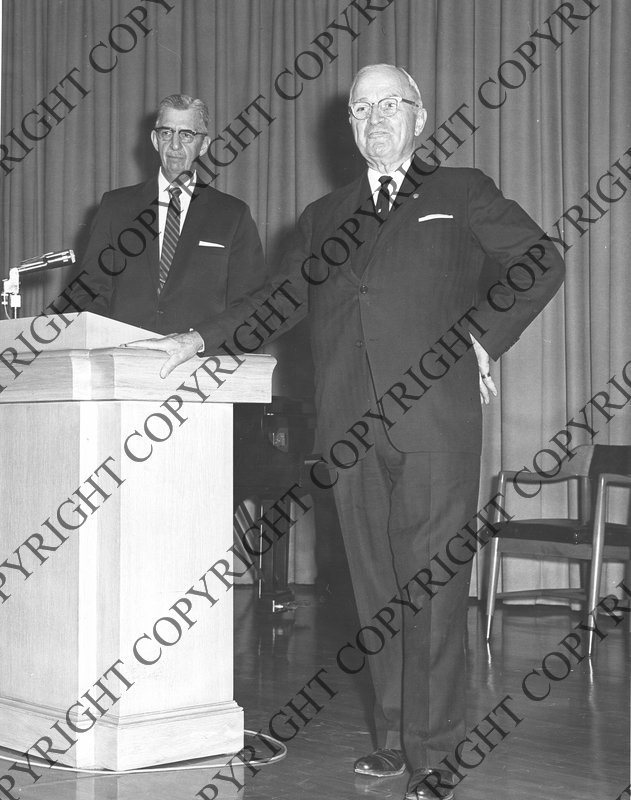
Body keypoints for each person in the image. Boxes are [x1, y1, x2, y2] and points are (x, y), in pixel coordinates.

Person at [130, 66, 565, 800]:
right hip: (348, 427)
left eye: (390, 104)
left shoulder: (460, 191)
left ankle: (436, 754)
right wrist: (199, 339)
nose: (375, 119)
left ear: (419, 116)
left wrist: (481, 340)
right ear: (352, 125)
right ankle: (394, 739)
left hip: (434, 422)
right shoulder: (325, 214)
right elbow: (276, 301)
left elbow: (539, 260)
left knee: (432, 588)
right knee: (375, 591)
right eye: (362, 109)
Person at [70, 94, 267, 344]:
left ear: (203, 145)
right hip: (123, 355)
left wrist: (200, 343)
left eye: (186, 135)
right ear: (155, 140)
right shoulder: (115, 207)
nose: (175, 145)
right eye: (167, 133)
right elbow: (88, 291)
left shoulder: (233, 215)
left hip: (197, 361)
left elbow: (248, 305)